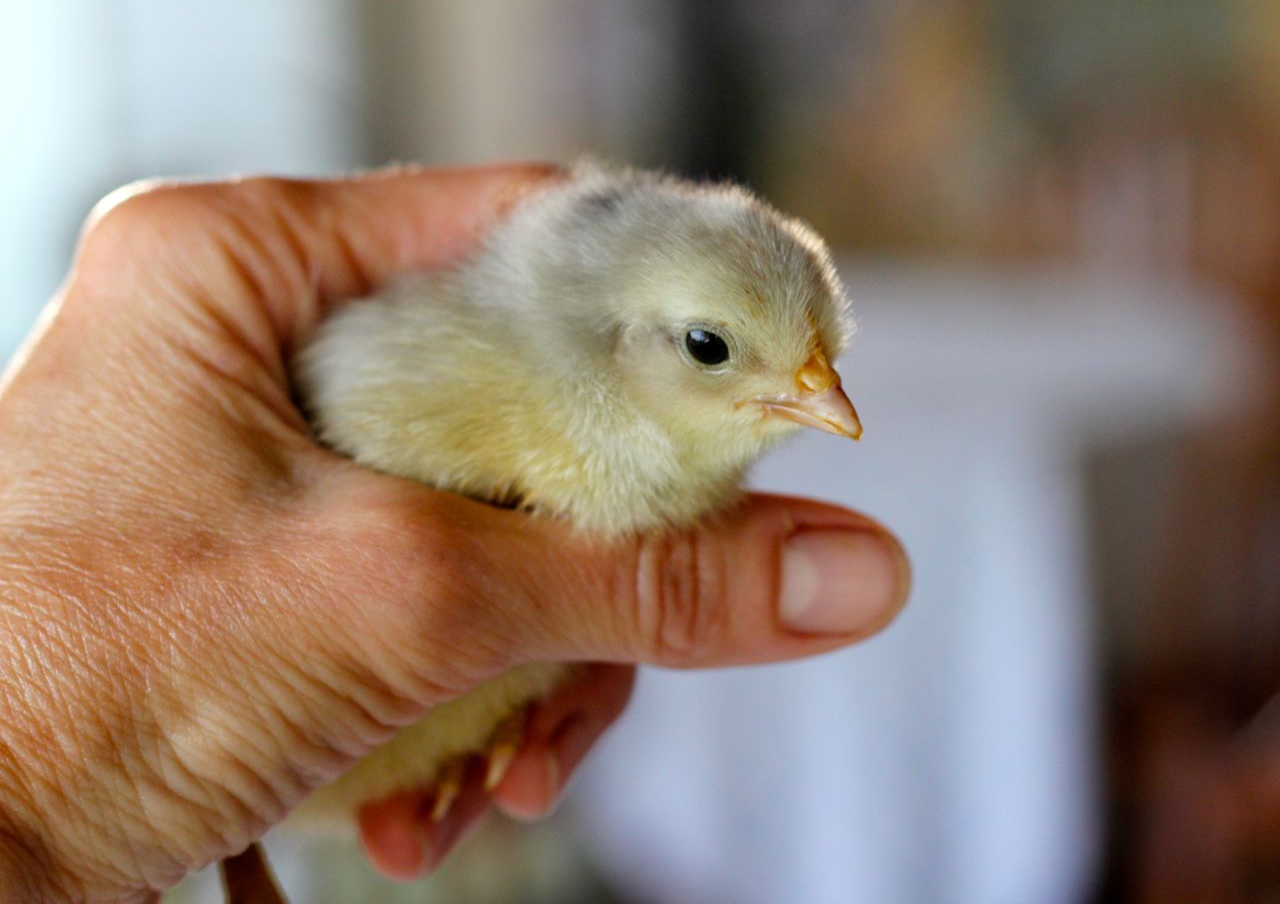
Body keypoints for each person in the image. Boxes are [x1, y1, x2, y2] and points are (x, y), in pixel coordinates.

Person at [0, 164, 909, 901]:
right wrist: (35, 802)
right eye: (712, 350)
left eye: (822, 354)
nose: (823, 396)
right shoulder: (433, 384)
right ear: (616, 343)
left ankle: (237, 851)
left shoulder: (645, 444)